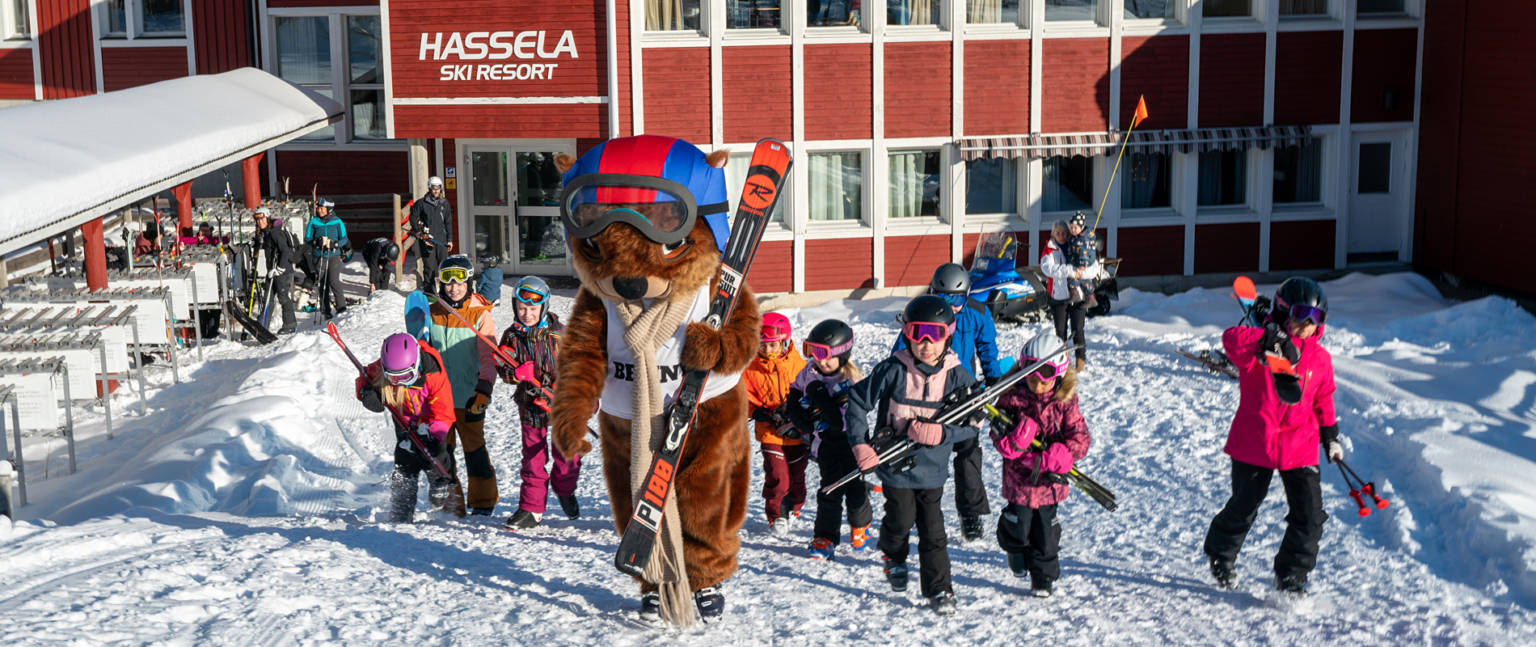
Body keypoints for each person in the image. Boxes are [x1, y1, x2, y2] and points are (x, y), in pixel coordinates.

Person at [1204, 277, 1340, 596]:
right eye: (1300, 315)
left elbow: (1323, 398)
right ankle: (1221, 554)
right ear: (1282, 312)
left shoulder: (1320, 359)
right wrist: (1267, 337)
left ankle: (1292, 575)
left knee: (1310, 515)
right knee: (1244, 506)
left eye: (1316, 318)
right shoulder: (1259, 349)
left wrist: (1330, 434)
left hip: (1301, 445)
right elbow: (1231, 340)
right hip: (1255, 440)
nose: (1307, 325)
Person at [847, 295, 979, 617]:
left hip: (933, 472)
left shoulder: (958, 376)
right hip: (896, 469)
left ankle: (939, 588)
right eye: (918, 333)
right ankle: (892, 554)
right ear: (906, 333)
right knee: (901, 521)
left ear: (948, 335)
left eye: (935, 334)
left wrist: (944, 434)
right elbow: (858, 402)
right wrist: (860, 443)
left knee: (934, 531)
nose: (926, 343)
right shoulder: (893, 369)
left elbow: (975, 422)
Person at [892, 262, 1001, 543]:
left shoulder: (977, 313)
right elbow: (901, 350)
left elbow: (987, 348)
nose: (950, 304)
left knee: (968, 452)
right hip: (925, 394)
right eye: (943, 296)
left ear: (966, 296)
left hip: (962, 394)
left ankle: (970, 513)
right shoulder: (922, 312)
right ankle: (917, 508)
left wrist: (993, 379)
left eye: (957, 298)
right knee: (922, 451)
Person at [991, 333, 1090, 598]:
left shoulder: (1065, 401)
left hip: (1049, 483)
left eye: (1044, 381)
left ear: (1058, 376)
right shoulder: (1012, 397)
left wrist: (1064, 454)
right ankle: (1015, 549)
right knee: (1019, 524)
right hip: (1019, 480)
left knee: (1047, 533)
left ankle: (1043, 577)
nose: (1036, 386)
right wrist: (1013, 443)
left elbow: (1080, 437)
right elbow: (997, 433)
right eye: (1031, 378)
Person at [787, 319, 870, 561]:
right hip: (826, 445)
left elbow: (838, 422)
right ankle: (825, 537)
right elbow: (796, 388)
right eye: (813, 352)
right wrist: (795, 410)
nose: (819, 361)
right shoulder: (811, 371)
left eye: (825, 355)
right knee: (829, 489)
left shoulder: (851, 382)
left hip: (853, 443)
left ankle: (860, 524)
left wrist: (818, 393)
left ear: (842, 354)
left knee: (855, 490)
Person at [496, 276, 574, 529]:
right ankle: (531, 508)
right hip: (531, 403)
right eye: (521, 308)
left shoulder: (561, 335)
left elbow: (582, 369)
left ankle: (564, 489)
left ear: (544, 306)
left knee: (567, 456)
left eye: (533, 309)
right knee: (533, 458)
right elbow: (503, 366)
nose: (527, 314)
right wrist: (515, 374)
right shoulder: (511, 336)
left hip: (562, 405)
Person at [355, 333, 457, 523]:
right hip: (404, 421)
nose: (401, 382)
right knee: (404, 464)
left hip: (431, 423)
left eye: (406, 376)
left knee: (434, 456)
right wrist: (365, 392)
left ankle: (439, 483)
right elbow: (365, 375)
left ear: (417, 365)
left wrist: (434, 434)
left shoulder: (434, 373)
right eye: (394, 378)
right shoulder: (383, 366)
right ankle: (401, 510)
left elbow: (443, 412)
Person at [428, 254, 500, 517]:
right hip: (438, 400)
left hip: (470, 397)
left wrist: (484, 389)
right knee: (442, 453)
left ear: (469, 283)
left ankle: (483, 502)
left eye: (459, 282)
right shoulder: (432, 311)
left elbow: (489, 356)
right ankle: (452, 503)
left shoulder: (479, 314)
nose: (453, 288)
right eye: (448, 282)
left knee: (474, 450)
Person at [745, 312, 809, 537]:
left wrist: (802, 412)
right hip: (770, 432)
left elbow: (810, 394)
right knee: (778, 476)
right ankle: (777, 515)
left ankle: (794, 507)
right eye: (763, 346)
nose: (768, 351)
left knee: (797, 476)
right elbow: (744, 394)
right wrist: (756, 412)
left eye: (773, 345)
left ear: (785, 342)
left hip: (796, 431)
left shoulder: (800, 366)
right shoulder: (751, 368)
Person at [1041, 220, 1093, 372]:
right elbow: (1047, 268)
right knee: (1060, 332)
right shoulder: (1050, 249)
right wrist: (1068, 271)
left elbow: (1093, 268)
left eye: (1064, 233)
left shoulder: (1078, 244)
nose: (1061, 236)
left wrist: (1081, 272)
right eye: (1058, 233)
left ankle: (1080, 365)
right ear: (1053, 234)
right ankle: (1062, 363)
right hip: (1059, 296)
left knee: (1078, 330)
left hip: (1079, 295)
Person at [253, 208, 299, 334]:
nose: (260, 222)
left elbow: (285, 251)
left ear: (268, 218)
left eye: (262, 219)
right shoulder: (267, 233)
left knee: (283, 297)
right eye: (257, 220)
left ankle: (290, 325)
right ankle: (262, 326)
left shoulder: (275, 233)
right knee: (268, 298)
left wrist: (280, 269)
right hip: (272, 271)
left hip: (282, 271)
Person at [305, 198, 349, 319]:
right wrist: (316, 241)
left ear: (329, 209)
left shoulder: (337, 221)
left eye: (322, 209)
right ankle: (326, 311)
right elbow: (307, 239)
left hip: (333, 255)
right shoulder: (314, 221)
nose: (319, 210)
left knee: (334, 281)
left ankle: (341, 307)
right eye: (318, 208)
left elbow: (344, 239)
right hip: (318, 256)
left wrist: (336, 244)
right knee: (323, 283)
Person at [411, 176, 454, 293]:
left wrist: (449, 239)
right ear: (429, 188)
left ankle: (445, 292)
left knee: (444, 266)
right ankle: (430, 292)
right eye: (434, 188)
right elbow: (413, 217)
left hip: (441, 240)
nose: (436, 190)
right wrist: (417, 232)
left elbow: (448, 222)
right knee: (429, 268)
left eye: (438, 188)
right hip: (427, 240)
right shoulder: (421, 203)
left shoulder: (444, 203)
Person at [1064, 211, 1098, 306]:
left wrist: (1083, 264)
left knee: (1073, 275)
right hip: (1084, 262)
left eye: (1075, 228)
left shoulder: (1083, 239)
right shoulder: (1077, 236)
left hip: (1084, 262)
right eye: (1071, 227)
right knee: (1086, 280)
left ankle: (1075, 293)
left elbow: (1084, 252)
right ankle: (1091, 298)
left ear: (1082, 227)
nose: (1073, 230)